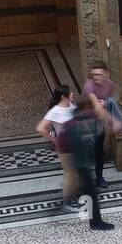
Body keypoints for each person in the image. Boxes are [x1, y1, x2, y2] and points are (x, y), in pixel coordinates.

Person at [60, 99, 115, 230]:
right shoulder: (74, 124)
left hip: (81, 163)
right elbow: (77, 144)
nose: (92, 111)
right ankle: (95, 223)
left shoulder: (80, 120)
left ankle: (95, 221)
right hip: (80, 164)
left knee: (90, 193)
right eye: (90, 109)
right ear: (85, 109)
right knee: (91, 194)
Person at [38, 85, 80, 214]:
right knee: (70, 173)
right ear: (63, 96)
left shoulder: (71, 105)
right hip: (65, 147)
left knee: (76, 172)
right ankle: (66, 203)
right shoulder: (55, 111)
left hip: (75, 144)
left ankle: (73, 193)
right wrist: (54, 139)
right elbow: (41, 128)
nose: (72, 93)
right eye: (69, 93)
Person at [82, 62, 121, 189]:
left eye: (99, 74)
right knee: (85, 151)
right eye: (94, 75)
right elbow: (96, 105)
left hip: (99, 122)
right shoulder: (89, 86)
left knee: (98, 150)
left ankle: (99, 177)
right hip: (86, 123)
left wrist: (106, 102)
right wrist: (113, 122)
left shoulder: (109, 84)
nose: (96, 77)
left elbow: (112, 99)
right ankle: (82, 180)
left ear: (105, 74)